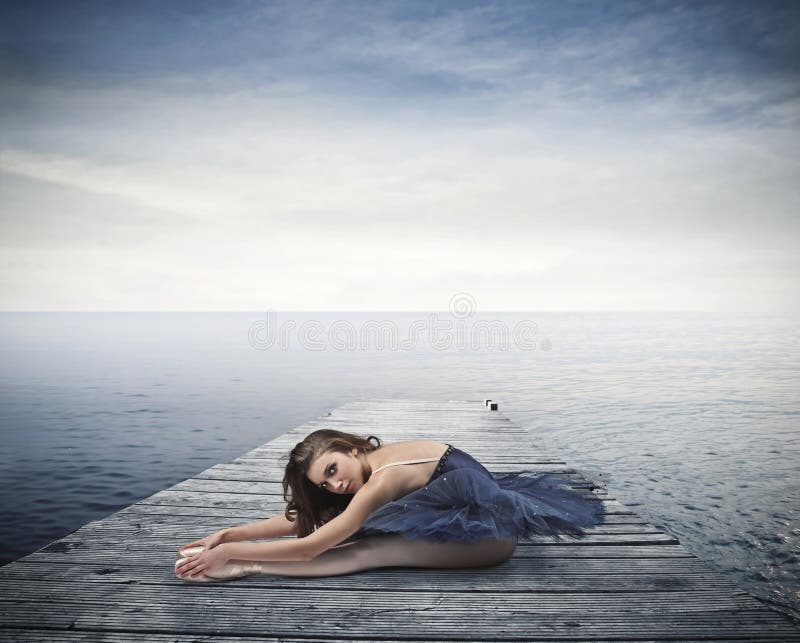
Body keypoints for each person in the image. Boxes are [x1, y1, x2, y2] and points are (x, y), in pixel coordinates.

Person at [175, 429, 604, 582]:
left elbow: (312, 544)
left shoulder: (385, 479)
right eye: (325, 481)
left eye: (332, 468)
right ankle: (241, 558)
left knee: (365, 549)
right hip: (473, 520)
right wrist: (231, 534)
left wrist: (233, 553)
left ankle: (248, 568)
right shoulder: (378, 460)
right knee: (349, 528)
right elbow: (307, 521)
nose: (337, 483)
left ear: (348, 447)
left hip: (491, 539)